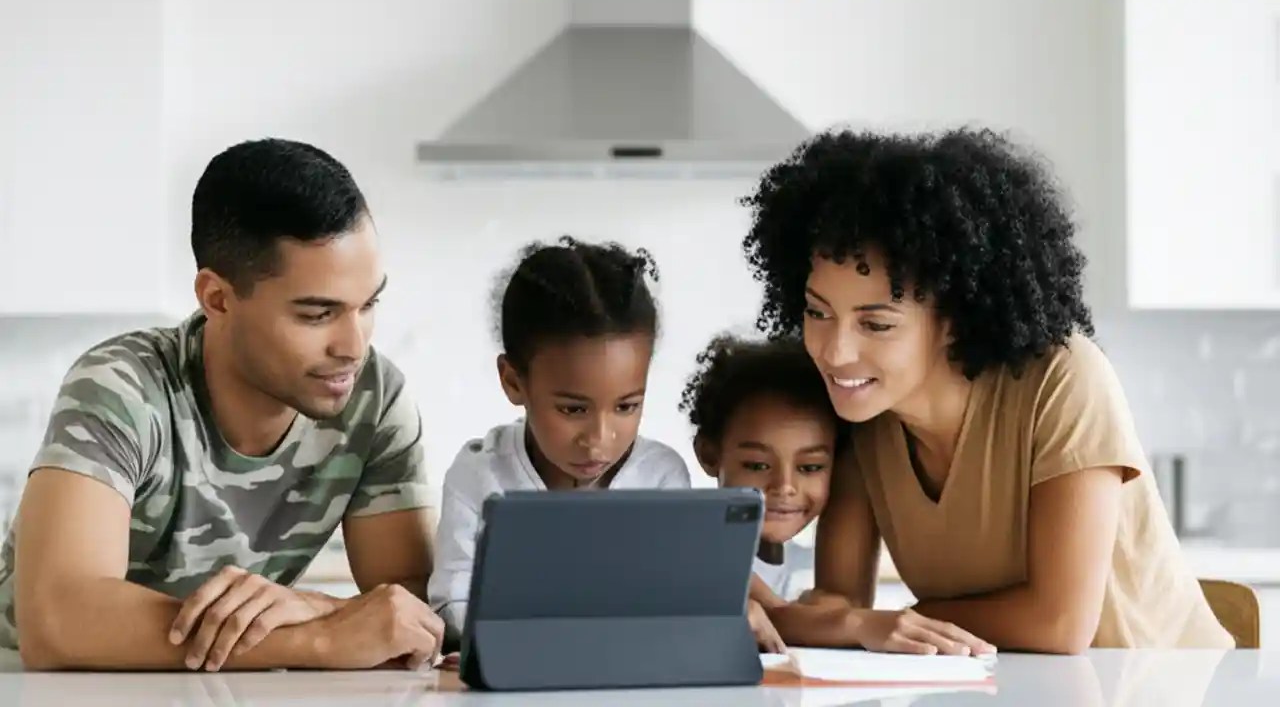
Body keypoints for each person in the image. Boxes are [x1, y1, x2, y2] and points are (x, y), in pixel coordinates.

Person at [740, 127, 1234, 654]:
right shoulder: (865, 413)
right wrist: (766, 608)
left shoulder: (1061, 379)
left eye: (876, 324)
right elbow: (840, 606)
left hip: (1165, 683)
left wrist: (892, 619)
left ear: (953, 319)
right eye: (818, 313)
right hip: (1017, 687)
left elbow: (1060, 624)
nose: (835, 352)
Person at [1, 138, 445, 671]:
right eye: (317, 314)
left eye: (368, 304)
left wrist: (312, 607)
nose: (353, 346)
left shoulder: (374, 395)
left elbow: (408, 610)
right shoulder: (123, 386)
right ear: (217, 298)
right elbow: (58, 621)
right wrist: (316, 638)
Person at [427, 237, 691, 639]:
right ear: (513, 382)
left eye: (626, 406)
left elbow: (679, 600)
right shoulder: (479, 475)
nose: (599, 439)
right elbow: (452, 601)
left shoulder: (662, 478)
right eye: (573, 410)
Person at [679, 334, 842, 654]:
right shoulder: (694, 548)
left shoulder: (813, 567)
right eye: (757, 465)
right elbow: (779, 616)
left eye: (810, 467)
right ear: (710, 455)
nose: (784, 486)